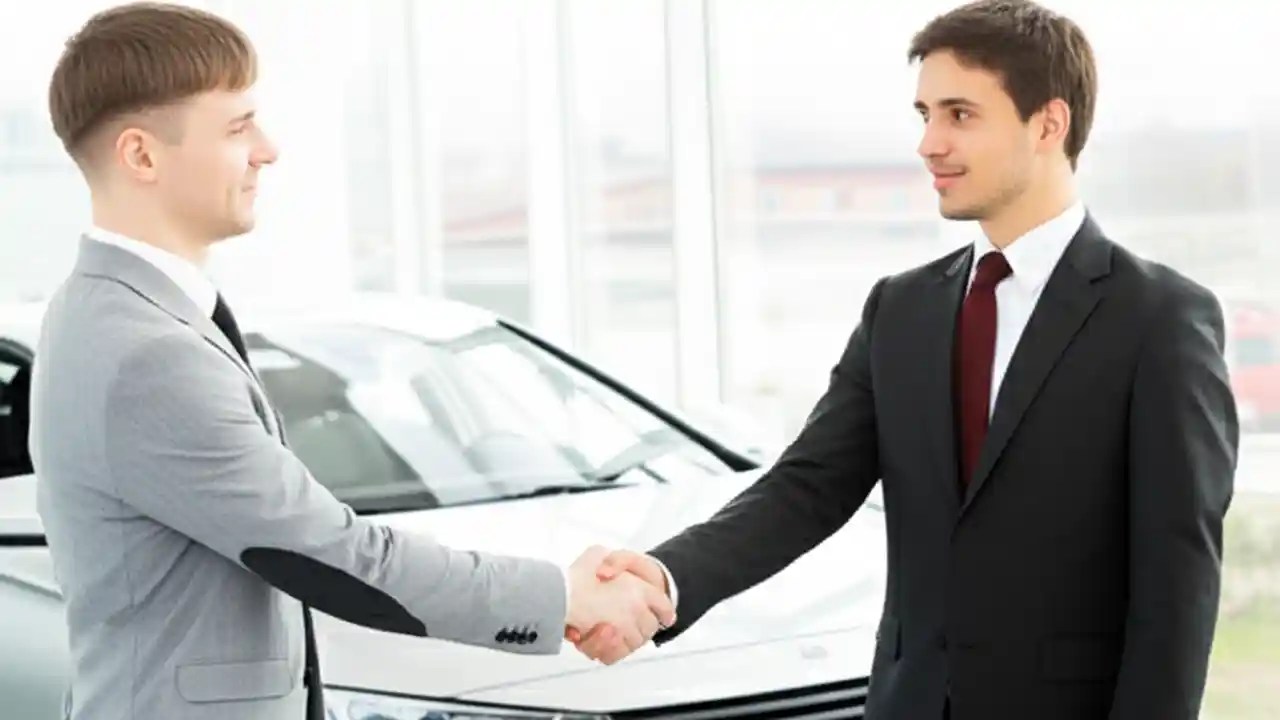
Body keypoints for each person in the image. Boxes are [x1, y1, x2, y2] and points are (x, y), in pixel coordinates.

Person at [568, 1, 1238, 718]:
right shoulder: (902, 310)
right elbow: (806, 488)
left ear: (1049, 123)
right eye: (924, 114)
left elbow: (1178, 586)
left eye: (959, 114)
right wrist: (665, 579)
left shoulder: (1159, 319)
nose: (929, 143)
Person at [29, 4, 672, 719]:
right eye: (238, 127)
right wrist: (563, 596)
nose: (267, 150)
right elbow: (328, 556)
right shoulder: (146, 353)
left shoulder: (104, 310)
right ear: (142, 156)